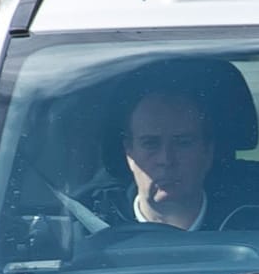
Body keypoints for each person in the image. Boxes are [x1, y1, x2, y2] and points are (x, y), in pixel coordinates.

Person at [74, 89, 233, 231]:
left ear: (207, 152)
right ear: (129, 153)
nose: (166, 160)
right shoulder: (82, 231)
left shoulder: (246, 226)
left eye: (183, 143)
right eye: (150, 144)